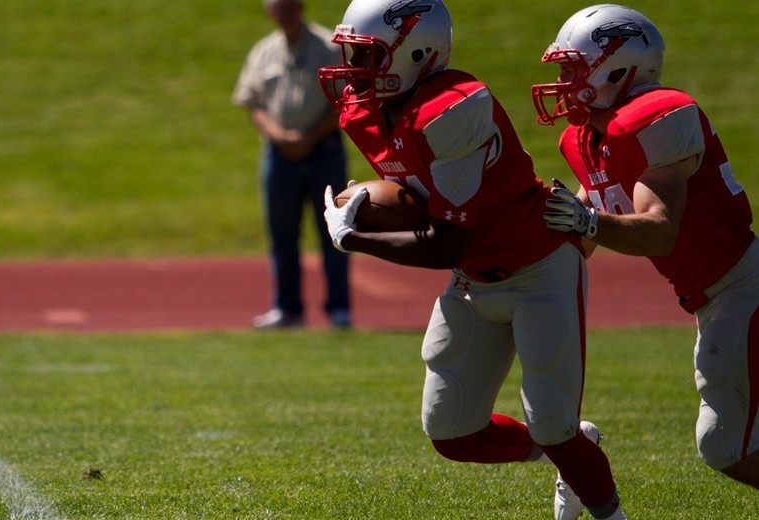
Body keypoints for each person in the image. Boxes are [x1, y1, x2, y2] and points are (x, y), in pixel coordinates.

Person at [318, 1, 627, 518]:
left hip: (538, 264)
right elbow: (420, 195)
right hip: (473, 277)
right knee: (452, 432)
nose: (352, 69)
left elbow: (446, 242)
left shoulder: (455, 108)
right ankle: (571, 454)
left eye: (367, 55)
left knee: (553, 422)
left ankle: (603, 503)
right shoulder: (360, 109)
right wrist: (376, 205)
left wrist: (355, 240)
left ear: (417, 53)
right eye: (351, 53)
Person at [534, 4, 759, 490]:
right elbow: (579, 234)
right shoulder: (586, 137)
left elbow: (659, 230)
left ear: (620, 67)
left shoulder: (659, 116)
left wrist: (588, 221)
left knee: (725, 444)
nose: (564, 82)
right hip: (714, 298)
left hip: (743, 288)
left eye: (573, 69)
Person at [232, 0, 352, 329]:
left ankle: (339, 309)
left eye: (290, 6)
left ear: (302, 7)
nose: (284, 13)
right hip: (278, 152)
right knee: (282, 234)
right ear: (270, 12)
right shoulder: (263, 52)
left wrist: (309, 136)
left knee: (335, 231)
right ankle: (287, 309)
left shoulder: (329, 47)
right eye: (277, 7)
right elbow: (252, 102)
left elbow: (346, 102)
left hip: (324, 148)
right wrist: (280, 135)